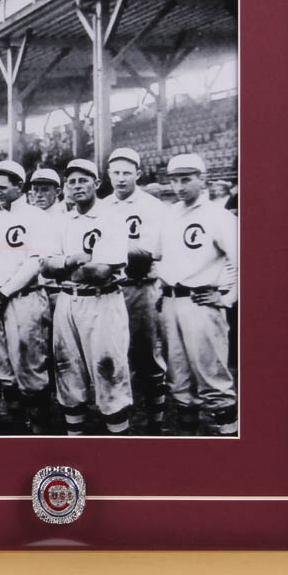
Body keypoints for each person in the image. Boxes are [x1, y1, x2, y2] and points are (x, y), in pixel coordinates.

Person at [41, 159, 132, 435]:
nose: (77, 186)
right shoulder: (62, 220)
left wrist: (64, 266)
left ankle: (119, 443)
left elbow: (102, 271)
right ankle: (76, 439)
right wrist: (75, 260)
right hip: (67, 300)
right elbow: (45, 266)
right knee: (67, 370)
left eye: (83, 180)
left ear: (97, 183)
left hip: (101, 301)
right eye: (71, 181)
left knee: (108, 370)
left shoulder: (112, 217)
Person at [154, 153, 239, 436]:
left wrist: (226, 298)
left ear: (203, 180)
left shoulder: (218, 216)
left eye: (186, 179)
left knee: (212, 377)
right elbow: (161, 258)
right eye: (175, 180)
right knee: (177, 378)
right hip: (170, 302)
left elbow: (244, 261)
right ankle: (187, 443)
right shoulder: (170, 214)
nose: (179, 187)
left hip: (200, 302)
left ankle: (229, 440)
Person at [0, 160, 56, 433]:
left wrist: (5, 291)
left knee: (30, 366)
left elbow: (36, 262)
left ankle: (39, 433)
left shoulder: (36, 217)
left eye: (3, 187)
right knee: (3, 369)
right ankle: (17, 430)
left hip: (25, 299)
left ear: (19, 186)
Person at [102, 147, 169, 433]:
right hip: (110, 290)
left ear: (138, 174)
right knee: (114, 357)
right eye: (115, 172)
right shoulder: (101, 205)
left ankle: (157, 423)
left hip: (141, 288)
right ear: (108, 174)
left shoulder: (152, 207)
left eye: (127, 173)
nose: (120, 178)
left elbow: (149, 251)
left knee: (147, 357)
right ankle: (122, 423)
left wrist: (109, 247)